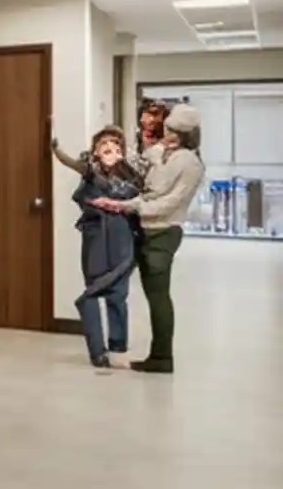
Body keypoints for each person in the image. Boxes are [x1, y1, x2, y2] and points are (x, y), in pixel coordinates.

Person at [91, 103, 205, 374]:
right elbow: (143, 178)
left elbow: (168, 202)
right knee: (149, 293)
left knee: (158, 296)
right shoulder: (162, 154)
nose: (168, 133)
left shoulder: (190, 164)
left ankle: (162, 357)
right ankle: (156, 355)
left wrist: (130, 206)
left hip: (163, 232)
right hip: (145, 229)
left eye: (175, 130)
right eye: (168, 128)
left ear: (188, 134)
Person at [65, 128, 144, 368]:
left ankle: (118, 343)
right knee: (92, 291)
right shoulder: (89, 176)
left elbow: (136, 197)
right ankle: (97, 351)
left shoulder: (130, 176)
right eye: (105, 146)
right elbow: (83, 200)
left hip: (122, 240)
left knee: (118, 294)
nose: (111, 150)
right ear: (96, 150)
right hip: (96, 240)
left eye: (116, 146)